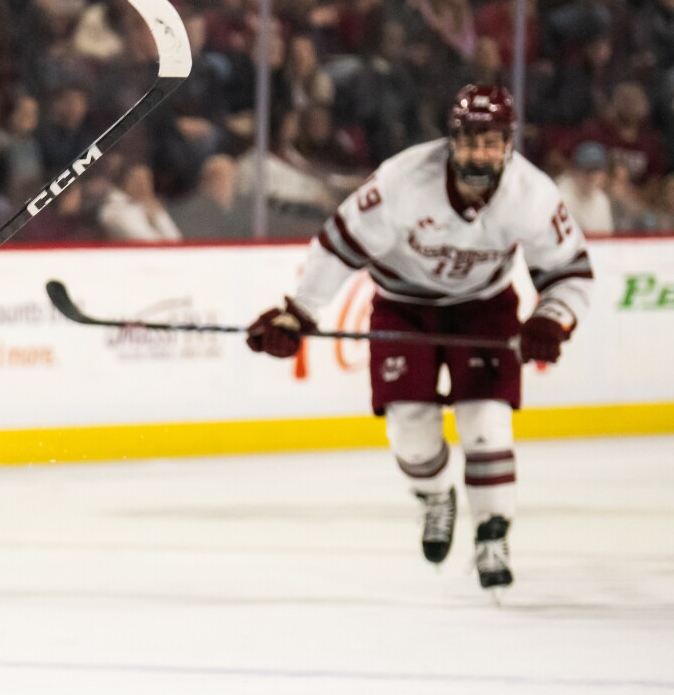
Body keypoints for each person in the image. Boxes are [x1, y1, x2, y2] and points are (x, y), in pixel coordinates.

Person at [246, 85, 594, 590]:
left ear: (509, 145)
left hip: (484, 310)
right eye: (471, 141)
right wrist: (298, 312)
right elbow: (338, 245)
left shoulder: (532, 194)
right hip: (403, 308)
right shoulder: (402, 181)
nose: (480, 153)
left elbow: (570, 271)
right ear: (453, 140)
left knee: (487, 424)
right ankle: (435, 499)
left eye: (491, 142)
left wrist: (551, 318)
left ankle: (492, 538)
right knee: (411, 430)